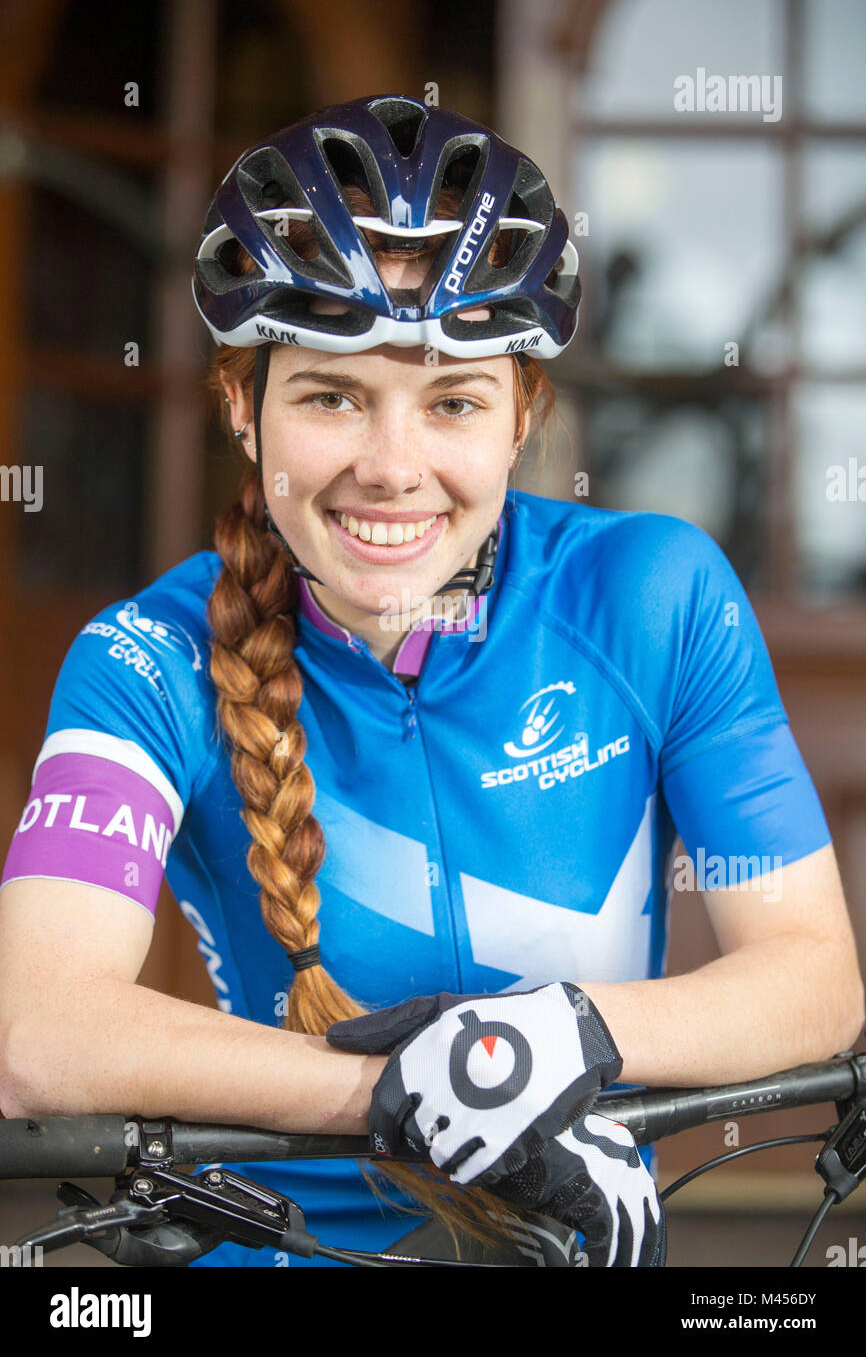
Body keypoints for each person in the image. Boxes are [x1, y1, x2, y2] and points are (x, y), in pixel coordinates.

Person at [0, 95, 862, 1270]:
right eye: (328, 395)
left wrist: (570, 1034)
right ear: (241, 407)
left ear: (523, 416)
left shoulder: (653, 595)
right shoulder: (141, 660)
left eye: (451, 399)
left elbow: (813, 979)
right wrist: (432, 1087)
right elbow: (36, 1032)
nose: (391, 469)